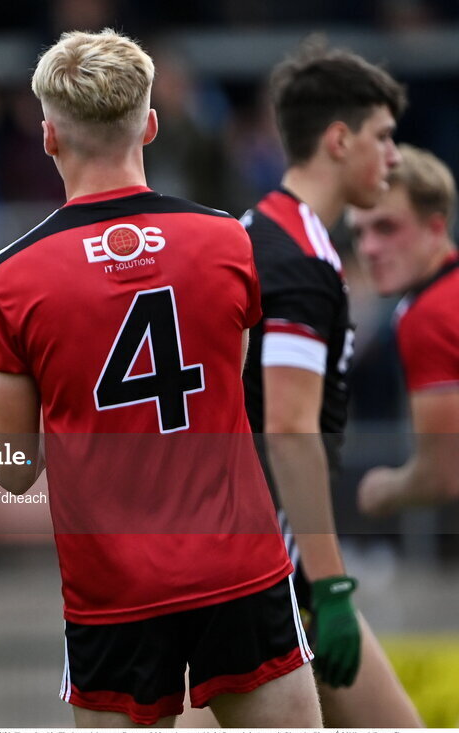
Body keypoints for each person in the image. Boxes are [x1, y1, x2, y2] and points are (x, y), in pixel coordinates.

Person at [0, 29, 321, 727]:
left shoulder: (14, 277)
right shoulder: (229, 240)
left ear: (49, 136)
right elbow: (234, 384)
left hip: (113, 585)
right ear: (153, 124)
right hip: (239, 565)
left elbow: (15, 471)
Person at [239, 43, 422, 726]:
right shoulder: (300, 258)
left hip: (256, 552)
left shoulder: (255, 230)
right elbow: (288, 429)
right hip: (269, 565)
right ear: (339, 140)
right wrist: (330, 582)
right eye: (383, 137)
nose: (394, 156)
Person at [352, 144, 459, 516]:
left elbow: (443, 475)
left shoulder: (428, 316)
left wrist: (381, 490)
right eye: (359, 233)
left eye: (386, 227)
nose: (369, 248)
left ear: (436, 227)